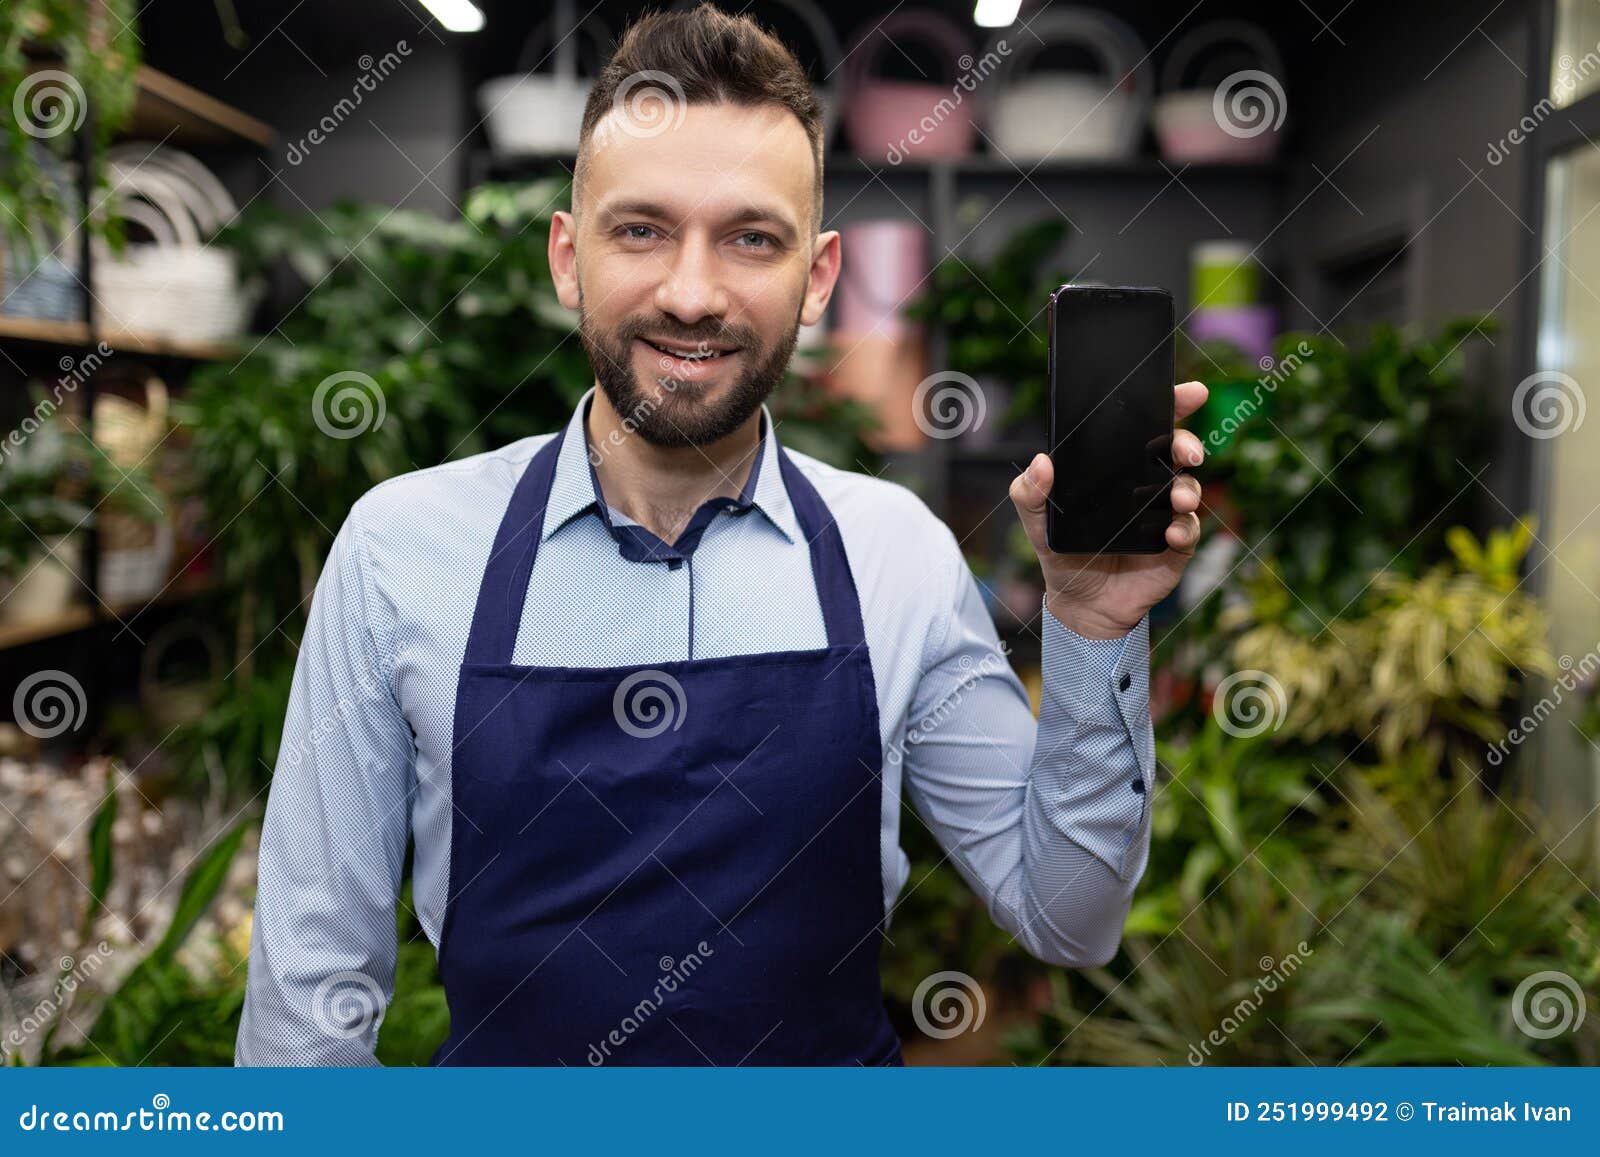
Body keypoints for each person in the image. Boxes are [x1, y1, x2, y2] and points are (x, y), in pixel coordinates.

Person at [235, 2, 1207, 1067]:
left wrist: (1089, 627)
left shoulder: (895, 552)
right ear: (569, 257)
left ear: (818, 279)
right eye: (641, 229)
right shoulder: (400, 553)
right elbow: (306, 1005)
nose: (691, 293)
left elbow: (1069, 916)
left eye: (751, 238)